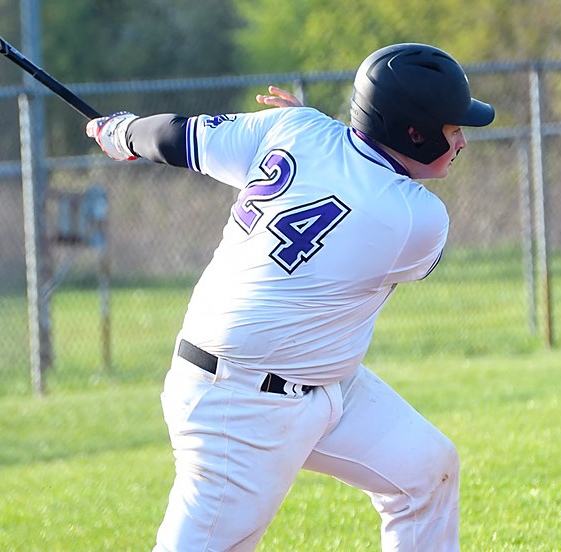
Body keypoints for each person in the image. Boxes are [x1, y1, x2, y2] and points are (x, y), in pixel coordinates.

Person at [86, 42, 494, 552]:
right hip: (240, 402)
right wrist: (315, 134)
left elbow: (172, 136)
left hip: (325, 383)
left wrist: (119, 131)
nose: (462, 141)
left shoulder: (292, 129)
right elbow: (360, 190)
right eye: (452, 129)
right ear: (414, 133)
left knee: (426, 470)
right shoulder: (418, 218)